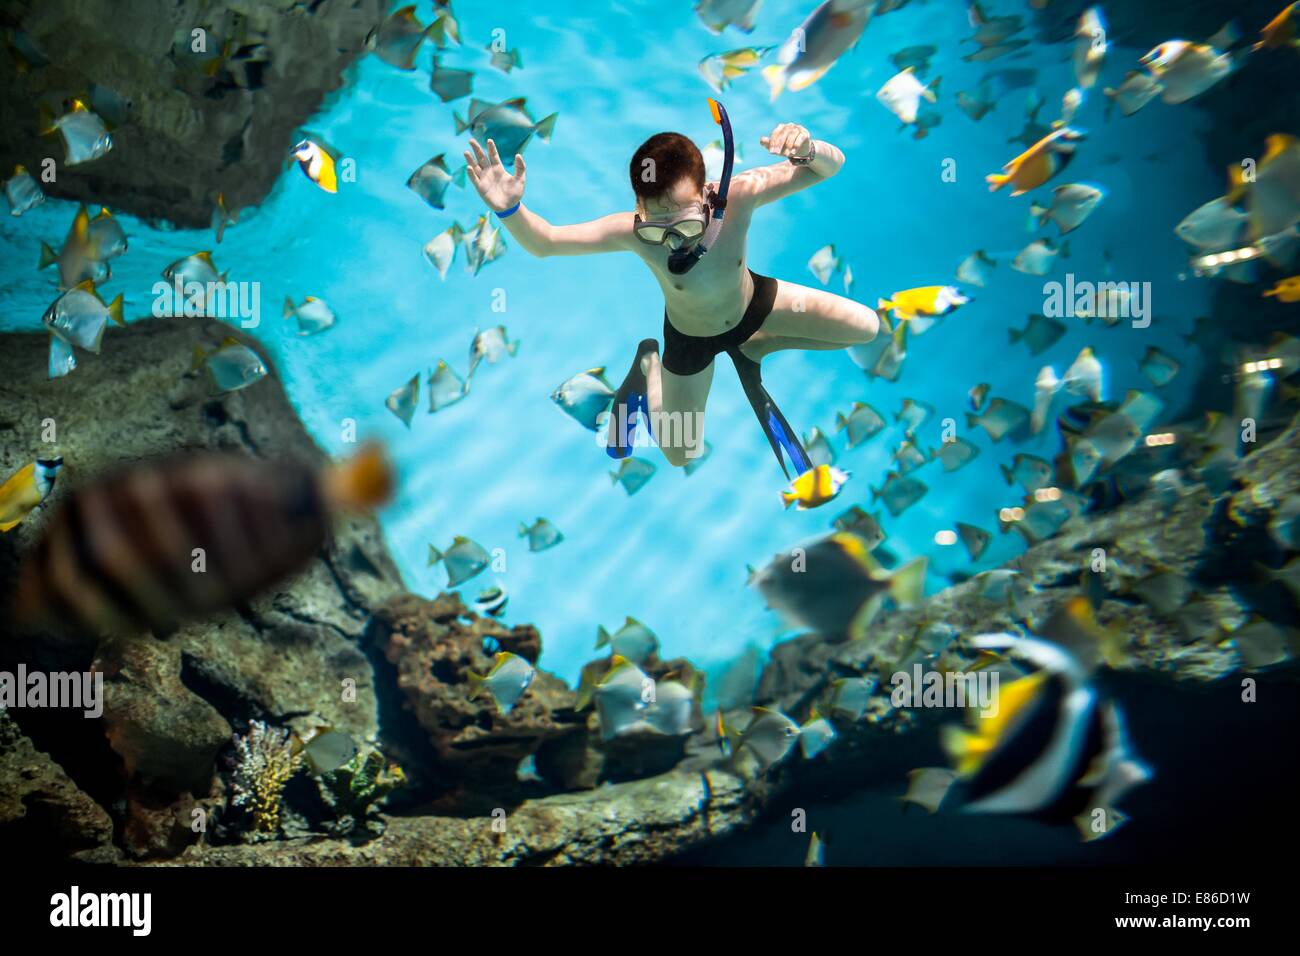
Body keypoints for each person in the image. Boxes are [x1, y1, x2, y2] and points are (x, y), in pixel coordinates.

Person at [463, 113, 878, 470]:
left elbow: (828, 168)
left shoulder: (738, 196)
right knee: (681, 454)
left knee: (866, 328)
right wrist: (509, 209)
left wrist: (807, 148)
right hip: (689, 339)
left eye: (686, 226)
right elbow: (547, 243)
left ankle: (757, 343)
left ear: (707, 195)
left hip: (755, 306)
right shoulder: (630, 231)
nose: (674, 242)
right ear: (639, 210)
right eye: (655, 227)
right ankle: (649, 366)